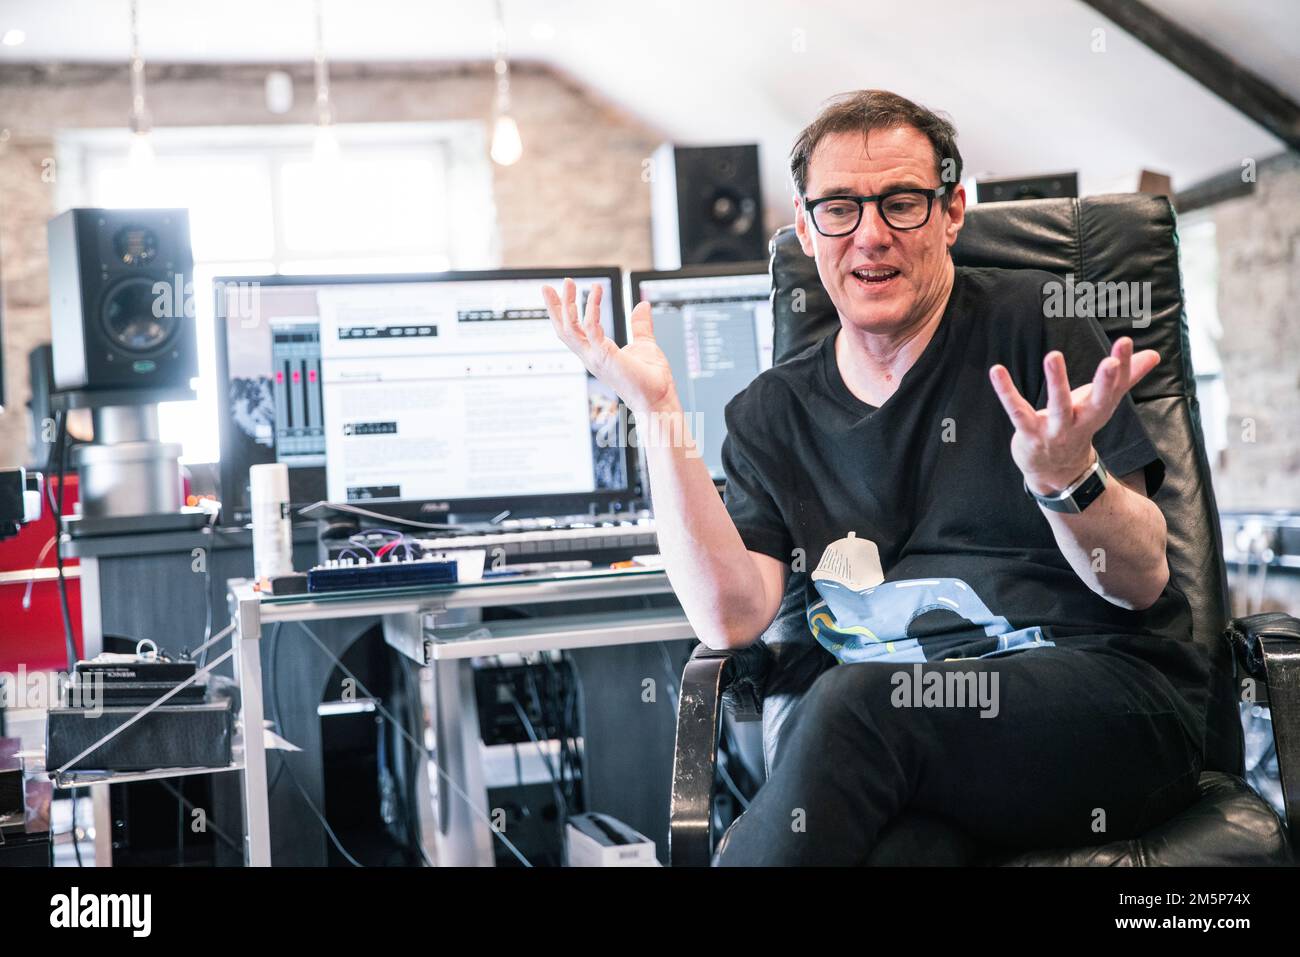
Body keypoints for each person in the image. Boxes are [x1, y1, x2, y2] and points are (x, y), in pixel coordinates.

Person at [541, 90, 1209, 865]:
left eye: (900, 203)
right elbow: (729, 620)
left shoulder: (1038, 324)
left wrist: (1069, 480)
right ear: (805, 226)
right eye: (840, 209)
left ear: (952, 211)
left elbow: (1139, 579)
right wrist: (656, 408)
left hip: (1102, 703)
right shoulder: (771, 413)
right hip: (910, 750)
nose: (871, 235)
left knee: (859, 701)